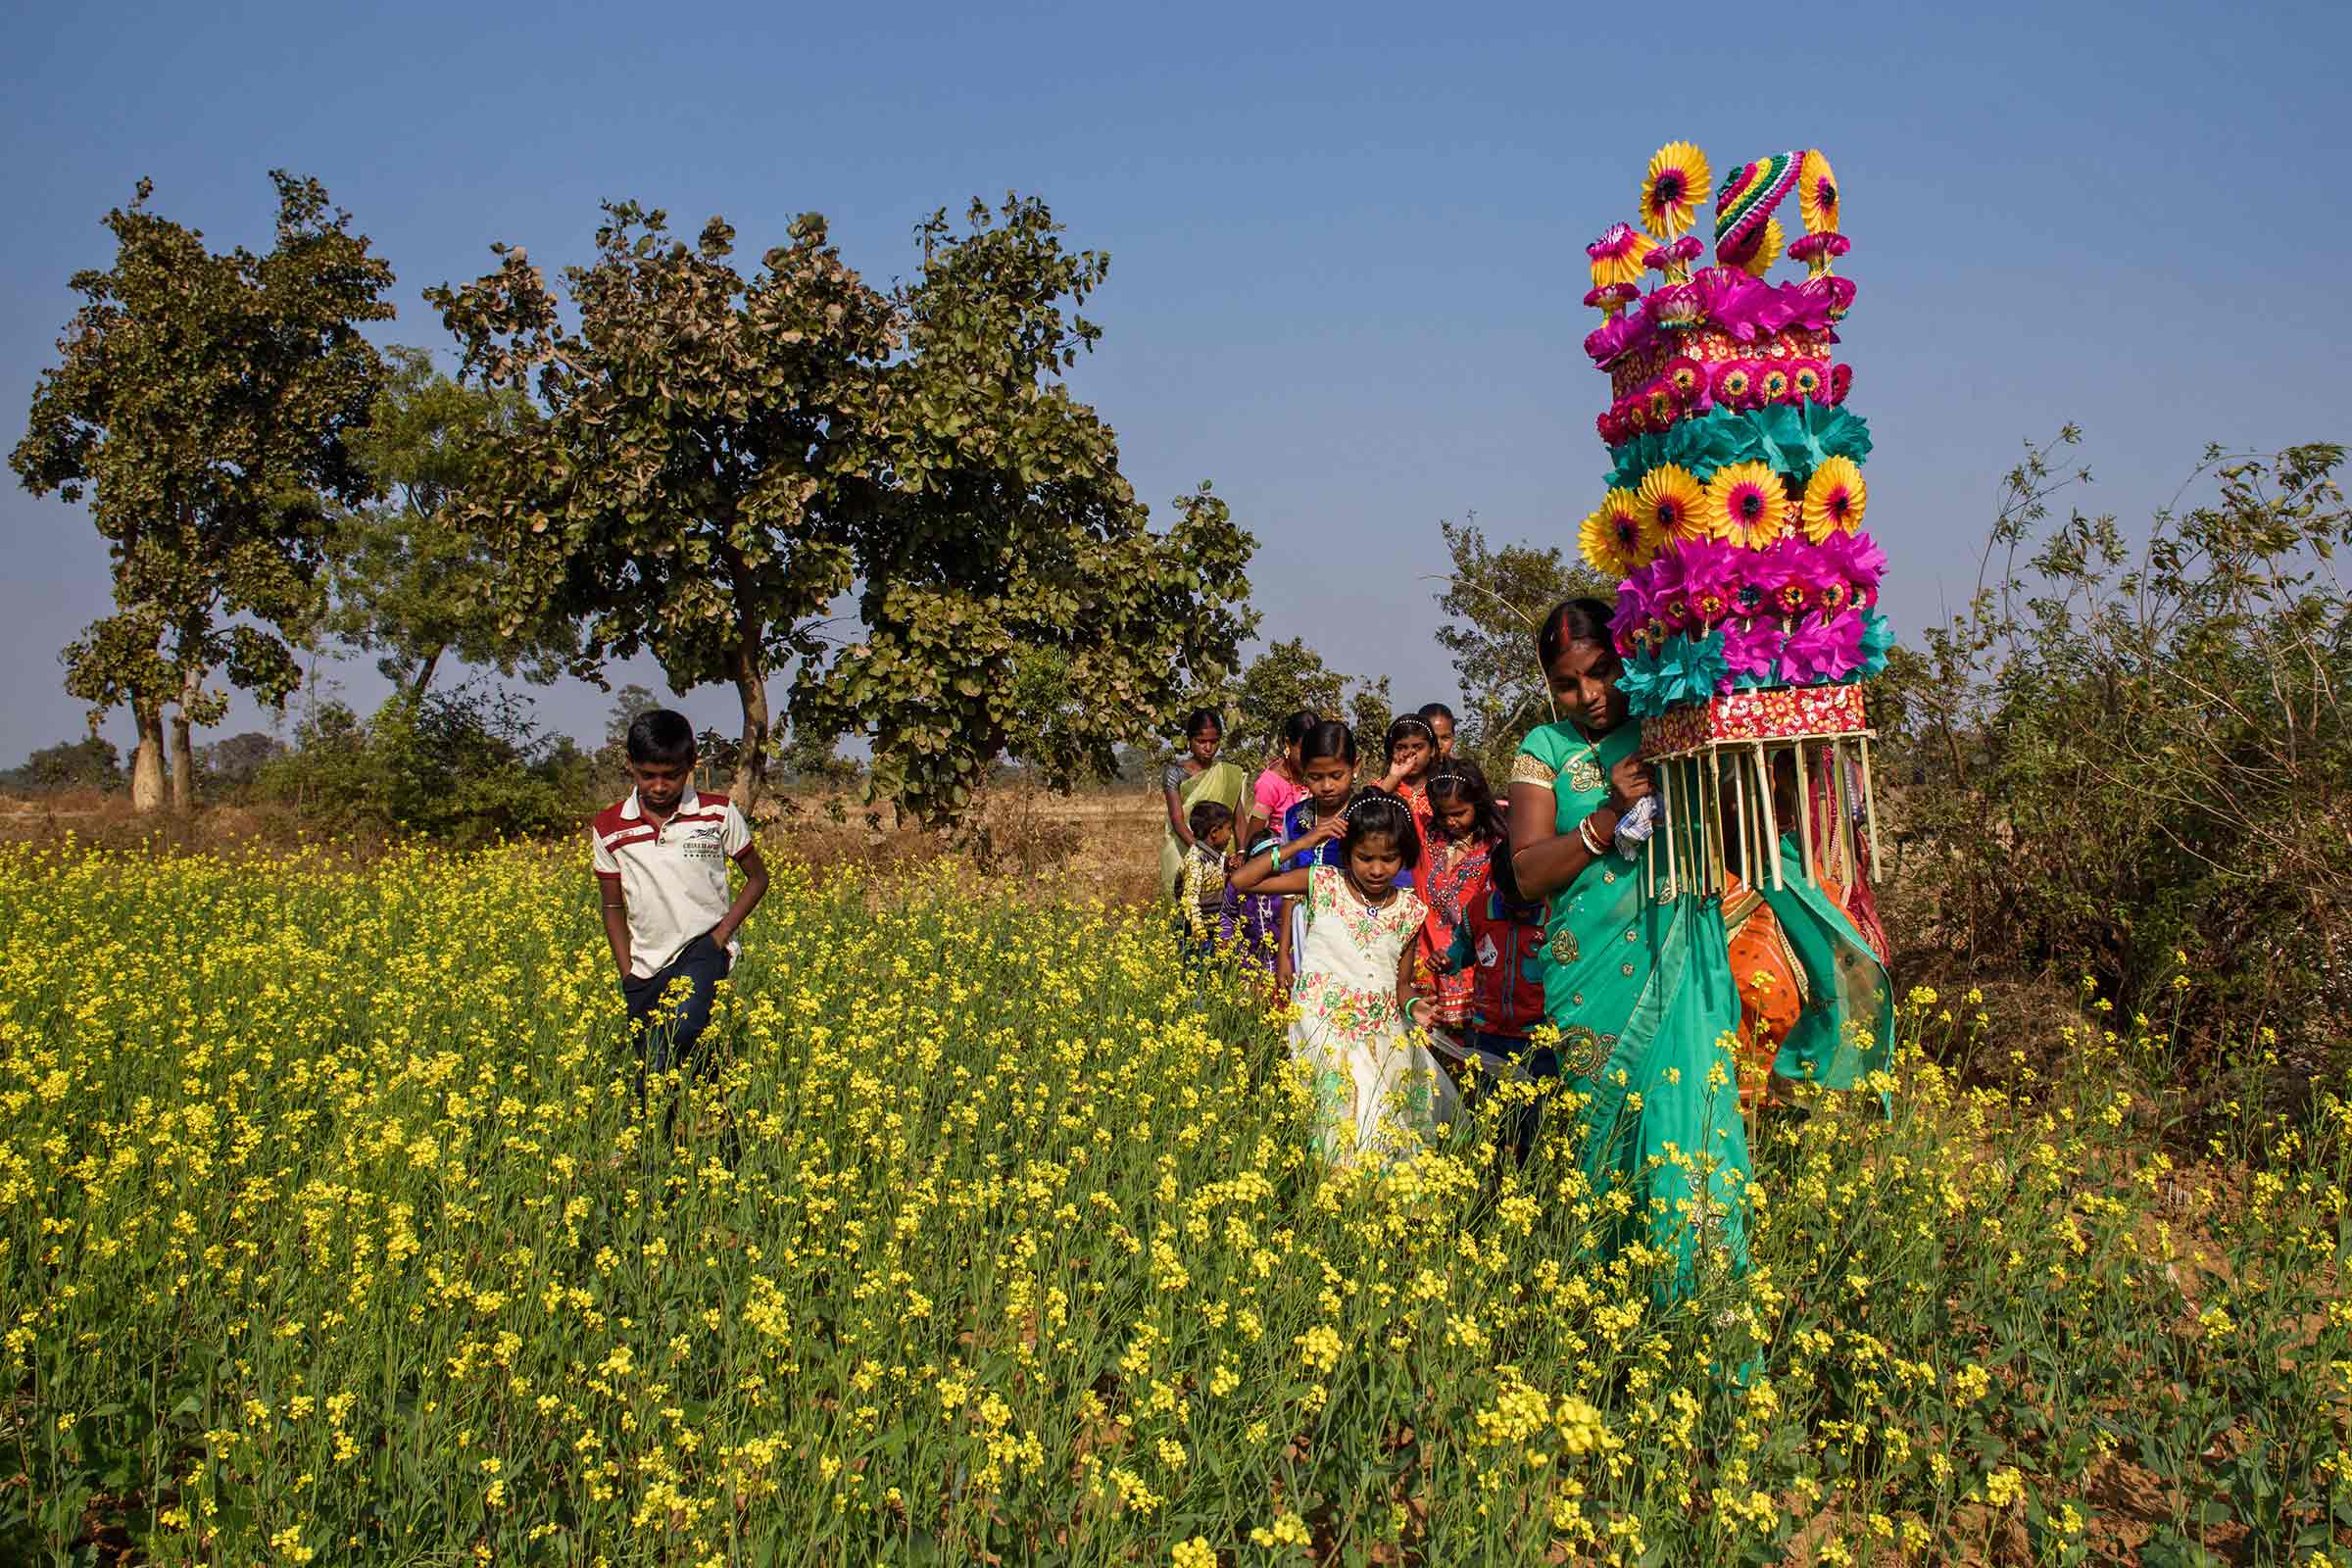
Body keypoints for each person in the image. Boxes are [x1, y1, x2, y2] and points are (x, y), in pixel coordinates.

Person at [1504, 600, 1749, 1293]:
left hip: (1681, 962)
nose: (1589, 695)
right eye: (1567, 684)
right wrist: (1609, 815)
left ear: (1629, 658)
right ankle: (1611, 1305)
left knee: (1687, 1124)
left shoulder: (1672, 724)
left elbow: (1734, 830)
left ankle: (1700, 1300)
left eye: (1601, 672)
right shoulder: (1544, 750)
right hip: (1590, 976)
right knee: (1602, 1140)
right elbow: (1526, 873)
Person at [1232, 790, 1458, 1164]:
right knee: (1341, 1128)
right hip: (1324, 1031)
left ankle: (1372, 1199)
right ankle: (1336, 1194)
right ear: (1347, 851)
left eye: (1389, 859)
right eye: (1365, 857)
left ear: (1403, 857)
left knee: (1380, 1131)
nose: (1376, 869)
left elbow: (1401, 984)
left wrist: (1414, 1006)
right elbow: (1243, 880)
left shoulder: (1409, 910)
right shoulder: (1323, 883)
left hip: (1382, 1036)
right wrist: (1303, 842)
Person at [593, 710, 770, 1102]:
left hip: (702, 949)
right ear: (630, 766)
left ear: (691, 764)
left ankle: (662, 1123)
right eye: (647, 775)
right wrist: (627, 972)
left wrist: (720, 937)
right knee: (665, 1061)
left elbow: (758, 878)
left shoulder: (717, 814)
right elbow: (612, 906)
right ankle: (712, 1124)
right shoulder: (608, 827)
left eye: (671, 775)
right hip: (645, 963)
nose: (659, 786)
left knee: (676, 1036)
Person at [1434, 842, 1553, 1161]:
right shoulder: (1479, 910)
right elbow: (1464, 948)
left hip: (1537, 1038)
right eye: (1510, 900)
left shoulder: (1554, 914)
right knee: (1489, 1116)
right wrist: (1448, 961)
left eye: (1526, 900)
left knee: (1535, 1120)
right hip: (1487, 1033)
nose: (1519, 909)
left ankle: (1528, 1173)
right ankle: (1491, 1173)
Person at [1416, 760, 1504, 1035]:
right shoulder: (1428, 835)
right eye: (1443, 814)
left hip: (1471, 967)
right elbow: (1379, 807)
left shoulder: (1495, 848)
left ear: (1478, 804)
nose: (1450, 822)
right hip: (1424, 963)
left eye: (1459, 813)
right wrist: (1397, 772)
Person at [1278, 721, 1366, 986]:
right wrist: (1283, 953)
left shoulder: (1366, 816)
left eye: (1336, 775)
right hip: (1303, 929)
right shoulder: (1295, 818)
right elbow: (1288, 888)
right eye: (1315, 777)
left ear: (1355, 767)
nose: (1326, 786)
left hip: (1354, 931)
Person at [1159, 710, 1247, 906]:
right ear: (1189, 741)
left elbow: (1239, 819)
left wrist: (1242, 853)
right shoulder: (1175, 773)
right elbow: (1178, 821)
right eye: (1201, 741)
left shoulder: (1228, 774)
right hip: (1184, 850)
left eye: (1214, 742)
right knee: (1184, 910)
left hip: (1225, 853)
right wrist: (1208, 855)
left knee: (1221, 911)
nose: (1208, 748)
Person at [1244, 710, 1320, 847]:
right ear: (1288, 743)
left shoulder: (1321, 774)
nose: (1310, 758)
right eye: (1304, 750)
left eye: (1316, 750)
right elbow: (1252, 840)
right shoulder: (1270, 784)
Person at [1174, 800, 1236, 958]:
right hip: (1193, 932)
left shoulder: (1218, 856)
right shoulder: (1195, 860)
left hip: (1213, 927)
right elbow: (1190, 900)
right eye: (1229, 829)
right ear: (1214, 832)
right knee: (1196, 967)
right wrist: (1199, 932)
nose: (1231, 835)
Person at [1378, 714, 1440, 846]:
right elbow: (1366, 816)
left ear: (1432, 750)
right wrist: (1393, 778)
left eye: (1418, 747)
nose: (1409, 754)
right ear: (1391, 751)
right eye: (1401, 747)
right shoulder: (1381, 787)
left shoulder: (1442, 789)